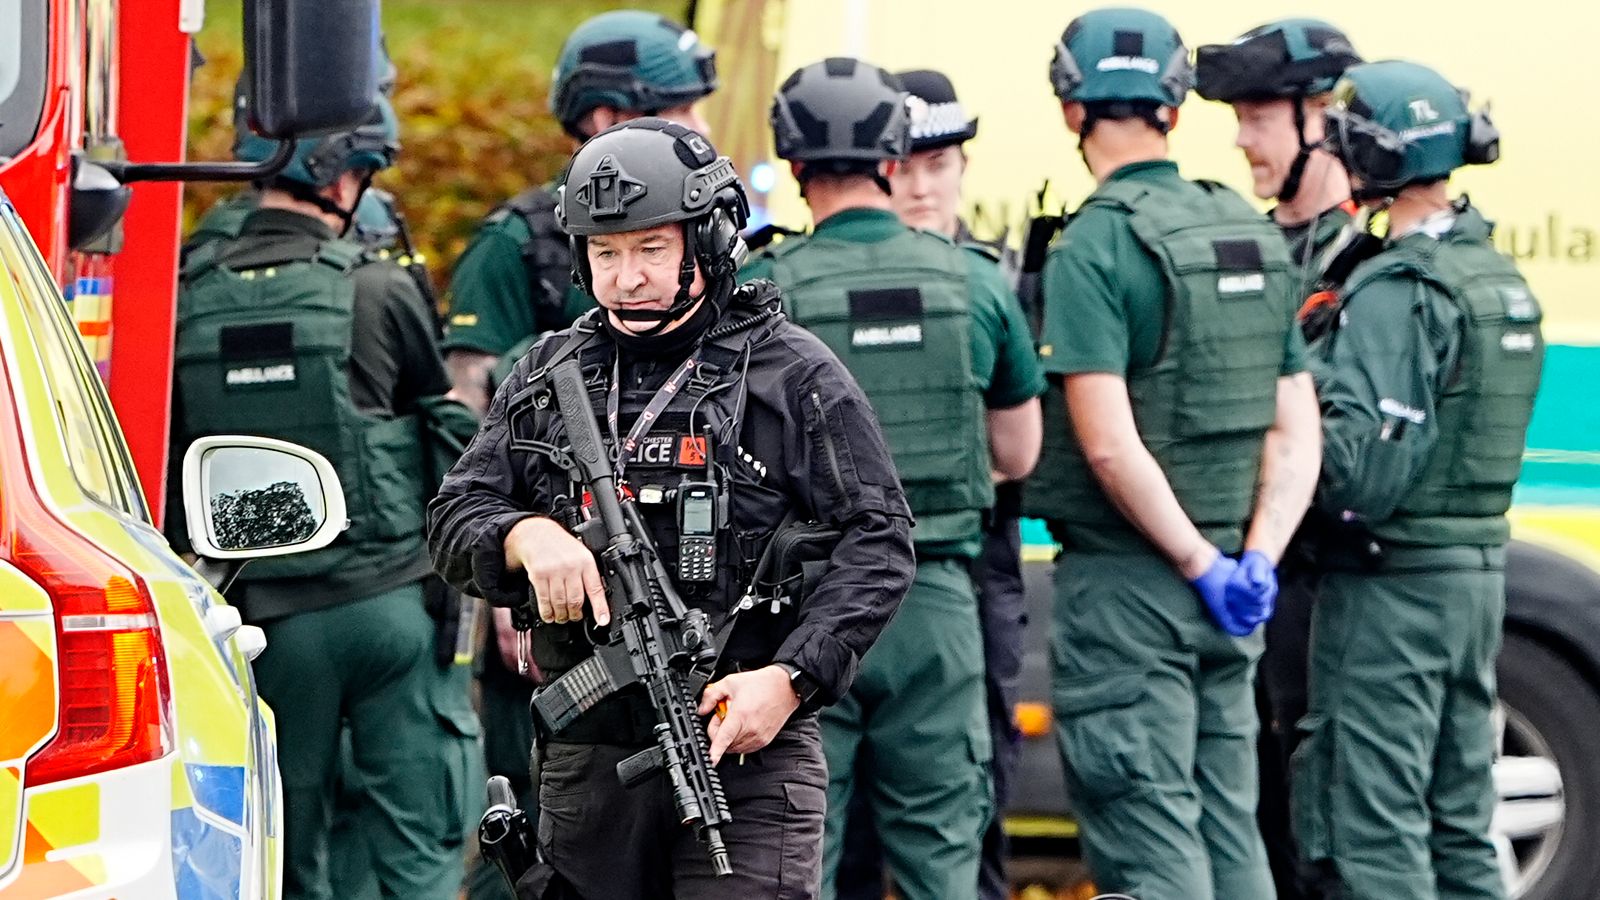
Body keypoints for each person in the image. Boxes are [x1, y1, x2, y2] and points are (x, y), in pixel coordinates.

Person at [428, 118, 916, 900]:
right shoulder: (547, 372)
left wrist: (789, 679)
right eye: (605, 252)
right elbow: (455, 515)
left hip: (745, 754)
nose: (627, 278)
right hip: (587, 767)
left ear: (710, 241)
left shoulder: (791, 373)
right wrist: (525, 534)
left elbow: (880, 542)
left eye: (651, 249)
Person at [1021, 9, 1322, 899]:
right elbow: (1296, 429)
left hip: (1130, 593)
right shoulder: (1248, 230)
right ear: (1177, 109)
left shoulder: (1097, 243)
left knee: (1152, 847)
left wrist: (1193, 563)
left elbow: (1109, 447)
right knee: (1233, 837)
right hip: (1234, 590)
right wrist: (1252, 558)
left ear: (1072, 112)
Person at [744, 57, 1045, 900]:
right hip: (940, 601)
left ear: (796, 167)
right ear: (892, 155)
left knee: (799, 855)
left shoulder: (767, 293)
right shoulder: (978, 282)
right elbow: (1019, 453)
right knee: (942, 861)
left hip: (806, 615)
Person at [168, 101, 480, 900]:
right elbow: (448, 432)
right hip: (389, 610)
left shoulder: (182, 298)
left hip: (262, 624)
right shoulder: (377, 287)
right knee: (420, 847)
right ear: (337, 174)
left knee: (279, 851)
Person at [1293, 60, 1541, 899]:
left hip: (1388, 591)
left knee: (1373, 831)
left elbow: (1364, 473)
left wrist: (1285, 443)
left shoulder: (1400, 286)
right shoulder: (1494, 275)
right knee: (1460, 824)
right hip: (1474, 585)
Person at [833, 66, 1030, 900]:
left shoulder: (995, 281)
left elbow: (1018, 450)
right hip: (846, 580)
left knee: (969, 809)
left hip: (969, 570)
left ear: (961, 171)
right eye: (905, 165)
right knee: (841, 839)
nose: (919, 184)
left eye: (938, 165)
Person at [1193, 20, 1362, 898]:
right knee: (1252, 818)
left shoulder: (1369, 259)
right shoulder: (1251, 250)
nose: (1241, 137)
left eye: (1258, 116)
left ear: (1321, 121)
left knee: (1323, 831)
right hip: (1248, 575)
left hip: (1329, 586)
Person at [442, 9, 719, 414]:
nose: (702, 129)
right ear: (608, 118)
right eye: (682, 110)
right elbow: (470, 414)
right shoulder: (513, 245)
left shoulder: (706, 223)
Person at [1196, 19, 1367, 334]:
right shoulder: (1244, 242)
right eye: (1239, 119)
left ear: (1325, 114)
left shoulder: (1365, 252)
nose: (1241, 140)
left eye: (1259, 120)